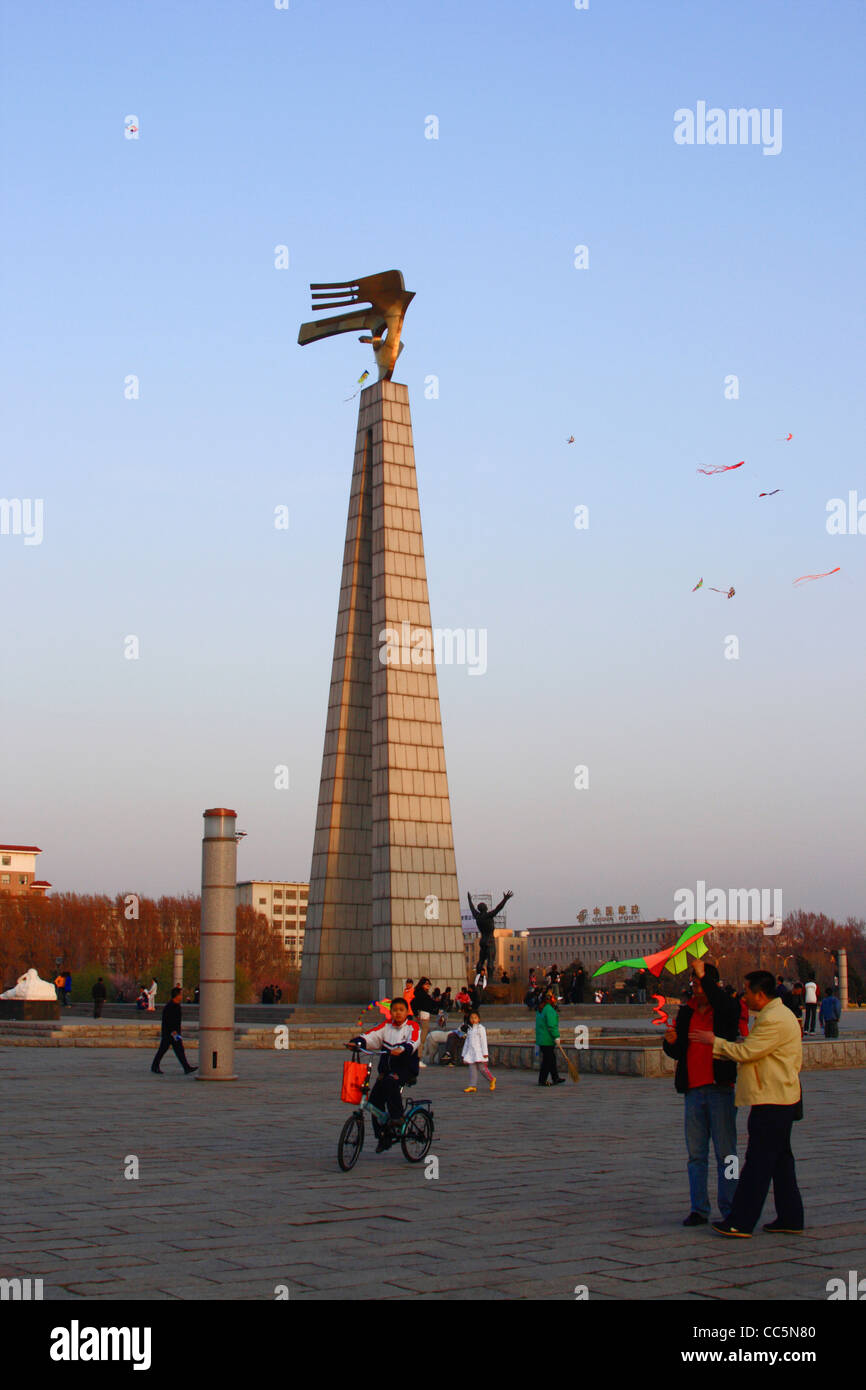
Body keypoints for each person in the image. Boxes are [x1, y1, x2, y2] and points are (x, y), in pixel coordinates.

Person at [691, 964, 804, 1238]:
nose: (744, 997)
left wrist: (714, 1043)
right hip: (779, 1098)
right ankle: (790, 1217)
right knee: (780, 1162)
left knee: (758, 1162)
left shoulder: (775, 1019)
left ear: (760, 995)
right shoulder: (773, 1014)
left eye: (747, 992)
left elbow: (749, 1052)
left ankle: (740, 1221)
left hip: (773, 1101)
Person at [662, 964, 740, 1227]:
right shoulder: (687, 1012)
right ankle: (699, 1208)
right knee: (696, 1155)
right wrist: (670, 1042)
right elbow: (679, 1050)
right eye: (693, 984)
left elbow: (727, 1006)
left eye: (698, 984)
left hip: (720, 1089)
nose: (694, 989)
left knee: (727, 1154)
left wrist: (705, 978)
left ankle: (731, 1206)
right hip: (693, 1091)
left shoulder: (726, 1010)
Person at [345, 996, 420, 1152]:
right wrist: (357, 1043)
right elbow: (371, 1036)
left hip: (404, 1069)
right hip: (386, 1070)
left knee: (390, 1082)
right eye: (395, 1010)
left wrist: (404, 1049)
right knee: (374, 1103)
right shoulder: (386, 1026)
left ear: (407, 1012)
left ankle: (397, 1116)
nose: (398, 1013)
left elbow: (414, 1041)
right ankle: (383, 1136)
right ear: (390, 1012)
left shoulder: (412, 1026)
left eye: (401, 1010)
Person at [151, 987, 197, 1075]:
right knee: (168, 1049)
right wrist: (174, 1032)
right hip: (171, 1033)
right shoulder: (171, 1006)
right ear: (177, 995)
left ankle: (186, 1067)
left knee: (177, 1049)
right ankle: (155, 1066)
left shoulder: (175, 1005)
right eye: (180, 994)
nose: (181, 996)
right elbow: (169, 1020)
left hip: (173, 1033)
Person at [467, 890, 513, 974]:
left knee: (481, 960)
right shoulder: (488, 916)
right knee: (490, 959)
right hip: (490, 940)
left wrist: (469, 900)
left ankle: (478, 975)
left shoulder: (477, 916)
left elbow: (472, 908)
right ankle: (491, 978)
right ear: (485, 908)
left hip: (482, 940)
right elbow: (498, 908)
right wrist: (505, 899)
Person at [461, 1011, 496, 1093]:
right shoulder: (469, 1030)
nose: (473, 1019)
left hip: (479, 1053)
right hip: (471, 1053)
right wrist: (464, 1054)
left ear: (479, 1019)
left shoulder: (481, 1029)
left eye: (475, 1018)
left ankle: (491, 1079)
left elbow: (484, 1041)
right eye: (471, 1018)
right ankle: (472, 1085)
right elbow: (467, 1043)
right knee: (472, 1069)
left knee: (482, 1068)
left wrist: (485, 1052)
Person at [536, 991, 565, 1085]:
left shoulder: (541, 1008)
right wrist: (556, 1036)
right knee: (547, 1061)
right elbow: (552, 1025)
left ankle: (555, 1077)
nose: (555, 1000)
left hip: (542, 1039)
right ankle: (542, 1080)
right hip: (547, 1040)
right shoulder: (549, 1010)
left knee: (551, 1059)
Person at [412, 978, 439, 1059]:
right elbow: (429, 1004)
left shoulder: (421, 993)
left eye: (429, 984)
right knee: (422, 1037)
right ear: (422, 984)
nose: (428, 985)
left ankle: (418, 1055)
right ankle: (419, 1057)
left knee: (420, 1036)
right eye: (426, 984)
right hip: (423, 1015)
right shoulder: (422, 994)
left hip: (424, 1014)